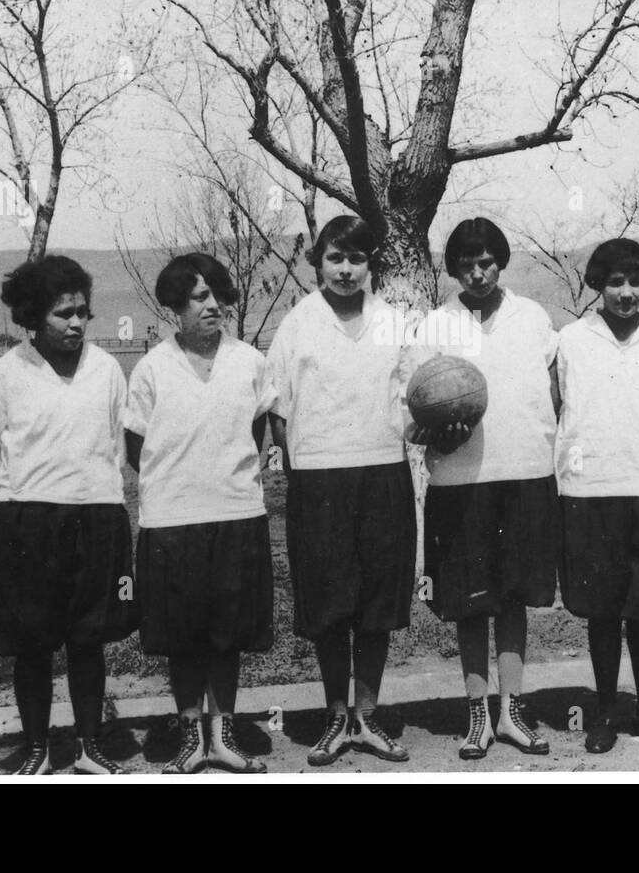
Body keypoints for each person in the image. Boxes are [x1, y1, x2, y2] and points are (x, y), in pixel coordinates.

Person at [0, 255, 135, 775]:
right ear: (34, 317)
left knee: (88, 639)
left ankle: (88, 746)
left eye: (82, 312)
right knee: (33, 642)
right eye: (62, 314)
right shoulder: (7, 374)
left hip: (98, 519)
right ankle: (36, 746)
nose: (76, 323)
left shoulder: (105, 370)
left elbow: (117, 447)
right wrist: (30, 494)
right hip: (29, 525)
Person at [266, 216, 416, 766]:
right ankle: (335, 718)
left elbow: (414, 397)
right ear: (319, 262)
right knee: (330, 603)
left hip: (382, 473)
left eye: (356, 258)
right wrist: (303, 467)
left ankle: (369, 718)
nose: (346, 269)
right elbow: (278, 409)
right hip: (320, 481)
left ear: (371, 263)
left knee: (376, 600)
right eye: (335, 258)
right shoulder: (297, 324)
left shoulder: (394, 322)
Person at [410, 217, 560, 760]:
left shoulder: (533, 317)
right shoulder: (434, 327)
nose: (478, 272)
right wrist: (433, 428)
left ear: (501, 262)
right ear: (453, 268)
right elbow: (413, 416)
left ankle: (512, 710)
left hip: (524, 476)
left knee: (515, 597)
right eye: (466, 263)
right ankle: (477, 713)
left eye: (487, 261)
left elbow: (553, 394)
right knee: (470, 603)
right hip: (461, 481)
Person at [124, 253, 276, 775]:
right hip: (171, 520)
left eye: (216, 294)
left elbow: (252, 439)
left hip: (236, 513)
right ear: (175, 307)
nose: (212, 305)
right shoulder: (151, 369)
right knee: (184, 634)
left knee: (227, 631)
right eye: (198, 297)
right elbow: (134, 448)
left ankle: (225, 734)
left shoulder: (250, 363)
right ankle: (192, 734)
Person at [555, 238, 639, 754]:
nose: (627, 293)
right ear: (598, 285)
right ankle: (605, 711)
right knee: (604, 607)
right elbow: (558, 410)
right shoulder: (572, 339)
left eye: (635, 282)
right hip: (592, 491)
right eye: (615, 282)